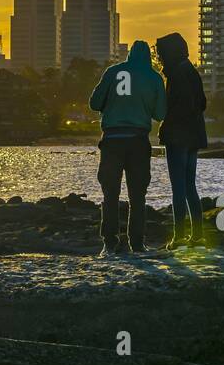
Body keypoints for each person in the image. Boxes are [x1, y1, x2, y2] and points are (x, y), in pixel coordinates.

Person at [88, 40, 167, 256]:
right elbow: (160, 114)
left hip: (112, 140)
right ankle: (138, 244)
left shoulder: (113, 72)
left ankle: (109, 244)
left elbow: (94, 103)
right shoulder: (154, 77)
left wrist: (112, 104)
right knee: (138, 195)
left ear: (130, 55)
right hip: (138, 141)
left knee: (110, 193)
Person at [155, 32, 208, 249]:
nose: (159, 57)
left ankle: (179, 237)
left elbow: (180, 107)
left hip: (178, 138)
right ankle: (198, 235)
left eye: (160, 53)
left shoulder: (177, 73)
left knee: (178, 187)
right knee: (189, 187)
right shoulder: (191, 70)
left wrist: (166, 126)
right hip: (194, 136)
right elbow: (201, 103)